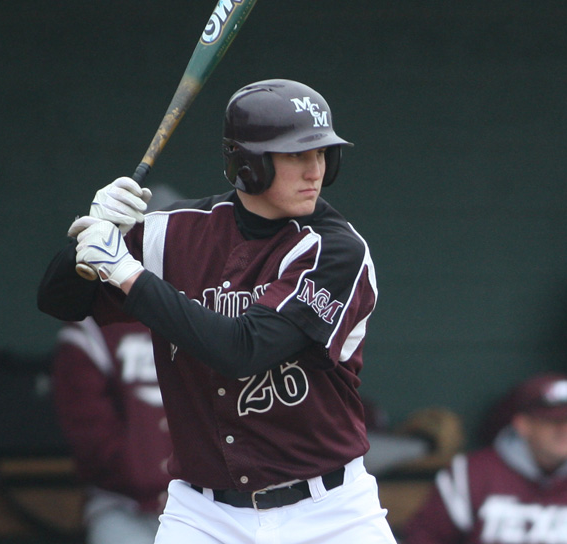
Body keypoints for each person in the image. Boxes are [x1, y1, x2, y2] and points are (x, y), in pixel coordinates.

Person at [37, 79, 396, 543]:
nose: (315, 170)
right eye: (295, 155)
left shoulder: (336, 249)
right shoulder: (177, 233)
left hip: (329, 512)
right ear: (247, 164)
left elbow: (242, 350)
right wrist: (90, 235)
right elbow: (59, 300)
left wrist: (126, 272)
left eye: (322, 154)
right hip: (204, 515)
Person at [403, 373, 567, 544]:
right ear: (523, 425)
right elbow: (425, 538)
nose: (565, 430)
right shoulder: (471, 476)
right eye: (553, 421)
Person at [50, 317, 171, 544]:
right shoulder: (91, 327)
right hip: (123, 507)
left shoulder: (208, 313)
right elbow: (91, 434)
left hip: (205, 505)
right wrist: (158, 484)